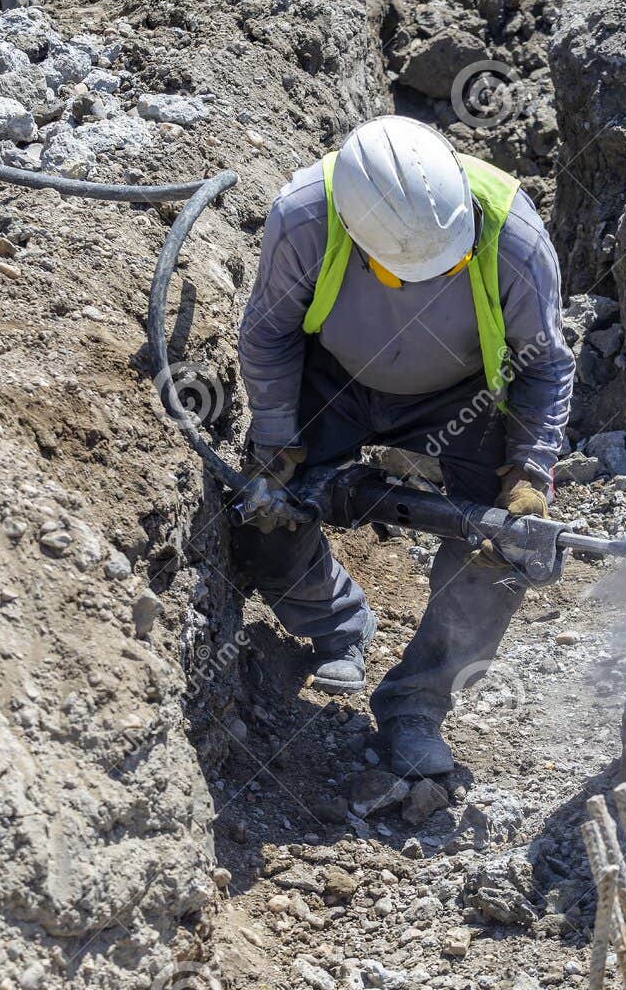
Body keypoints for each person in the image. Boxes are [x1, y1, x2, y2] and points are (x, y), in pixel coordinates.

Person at [232, 115, 573, 777]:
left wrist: (527, 472)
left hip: (463, 395)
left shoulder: (513, 235)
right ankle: (337, 623)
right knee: (259, 513)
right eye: (402, 276)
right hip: (334, 379)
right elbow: (268, 335)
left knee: (502, 552)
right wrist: (277, 444)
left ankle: (417, 705)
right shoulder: (306, 217)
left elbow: (543, 365)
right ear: (360, 243)